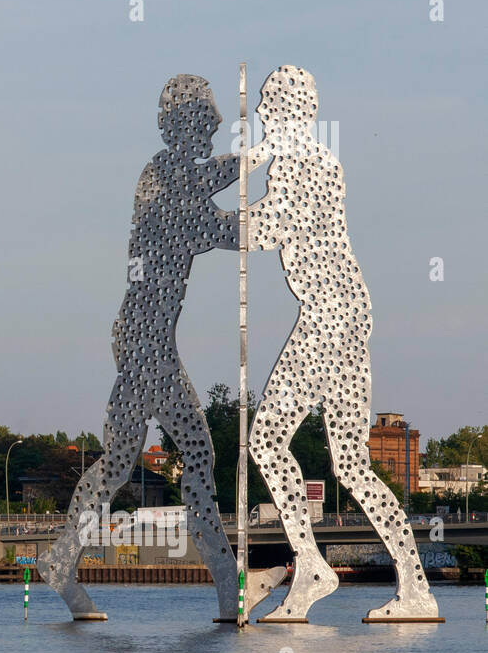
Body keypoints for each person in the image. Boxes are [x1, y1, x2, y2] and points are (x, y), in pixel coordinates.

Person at [40, 75, 281, 620]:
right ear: (182, 125)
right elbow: (224, 227)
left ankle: (61, 562)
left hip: (143, 338)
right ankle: (230, 586)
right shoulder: (165, 182)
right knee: (195, 456)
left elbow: (214, 181)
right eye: (208, 115)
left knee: (121, 464)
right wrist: (275, 181)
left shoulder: (167, 177)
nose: (219, 123)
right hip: (146, 341)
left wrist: (259, 156)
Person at [246, 65, 437, 621]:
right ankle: (411, 585)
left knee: (267, 441)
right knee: (350, 464)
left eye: (266, 104)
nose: (259, 113)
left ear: (289, 110)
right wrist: (251, 160)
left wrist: (205, 227)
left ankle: (311, 566)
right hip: (344, 313)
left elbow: (267, 228)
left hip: (328, 316)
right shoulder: (317, 160)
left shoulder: (301, 163)